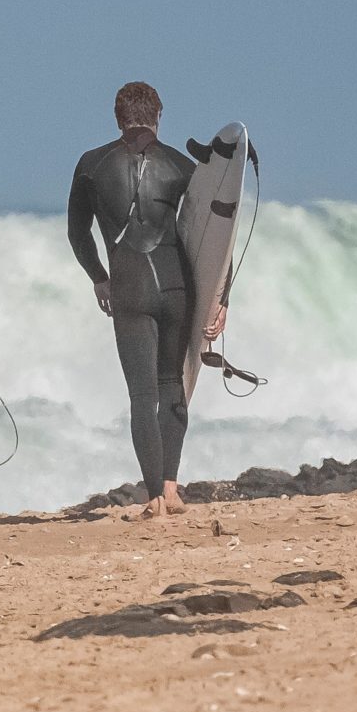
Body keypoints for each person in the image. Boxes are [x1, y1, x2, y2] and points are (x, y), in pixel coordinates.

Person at [66, 81, 227, 519]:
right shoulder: (184, 166)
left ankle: (154, 495)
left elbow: (76, 233)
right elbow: (214, 237)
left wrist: (100, 278)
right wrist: (220, 297)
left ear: (118, 118)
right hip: (176, 285)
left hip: (129, 286)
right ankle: (172, 487)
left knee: (142, 395)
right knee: (172, 383)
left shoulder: (91, 165)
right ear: (159, 116)